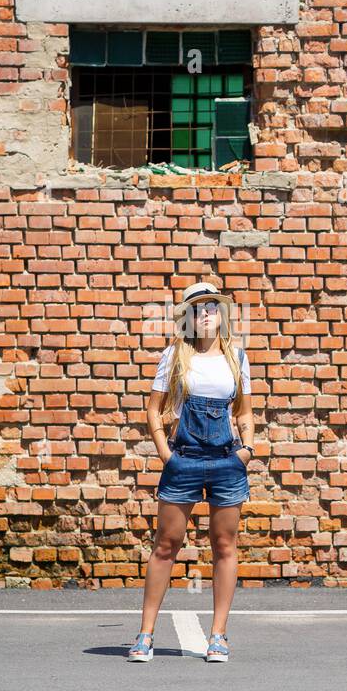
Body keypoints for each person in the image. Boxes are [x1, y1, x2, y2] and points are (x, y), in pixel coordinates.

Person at [127, 280, 255, 663]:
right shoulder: (174, 356)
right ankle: (145, 635)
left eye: (212, 307)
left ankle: (218, 636)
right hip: (183, 459)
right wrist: (166, 453)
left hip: (227, 462)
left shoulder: (237, 357)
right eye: (197, 309)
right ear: (188, 318)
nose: (206, 314)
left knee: (224, 546)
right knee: (166, 546)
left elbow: (244, 411)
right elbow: (153, 408)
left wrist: (247, 450)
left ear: (221, 314)